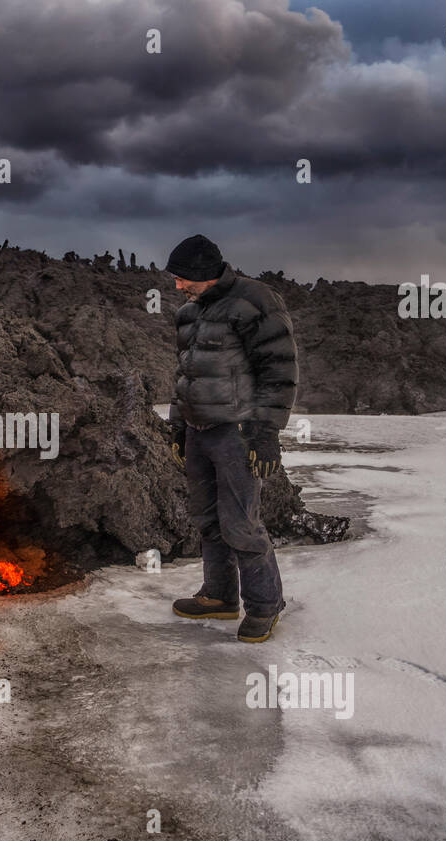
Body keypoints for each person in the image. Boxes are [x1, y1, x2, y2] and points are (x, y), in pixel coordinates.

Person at [165, 235, 298, 642]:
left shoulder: (254, 301)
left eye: (183, 278)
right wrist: (177, 426)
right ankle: (220, 597)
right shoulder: (189, 312)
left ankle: (265, 605)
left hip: (237, 434)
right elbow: (185, 375)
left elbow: (278, 368)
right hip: (198, 431)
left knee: (240, 523)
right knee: (207, 520)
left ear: (206, 273)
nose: (178, 287)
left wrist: (265, 434)